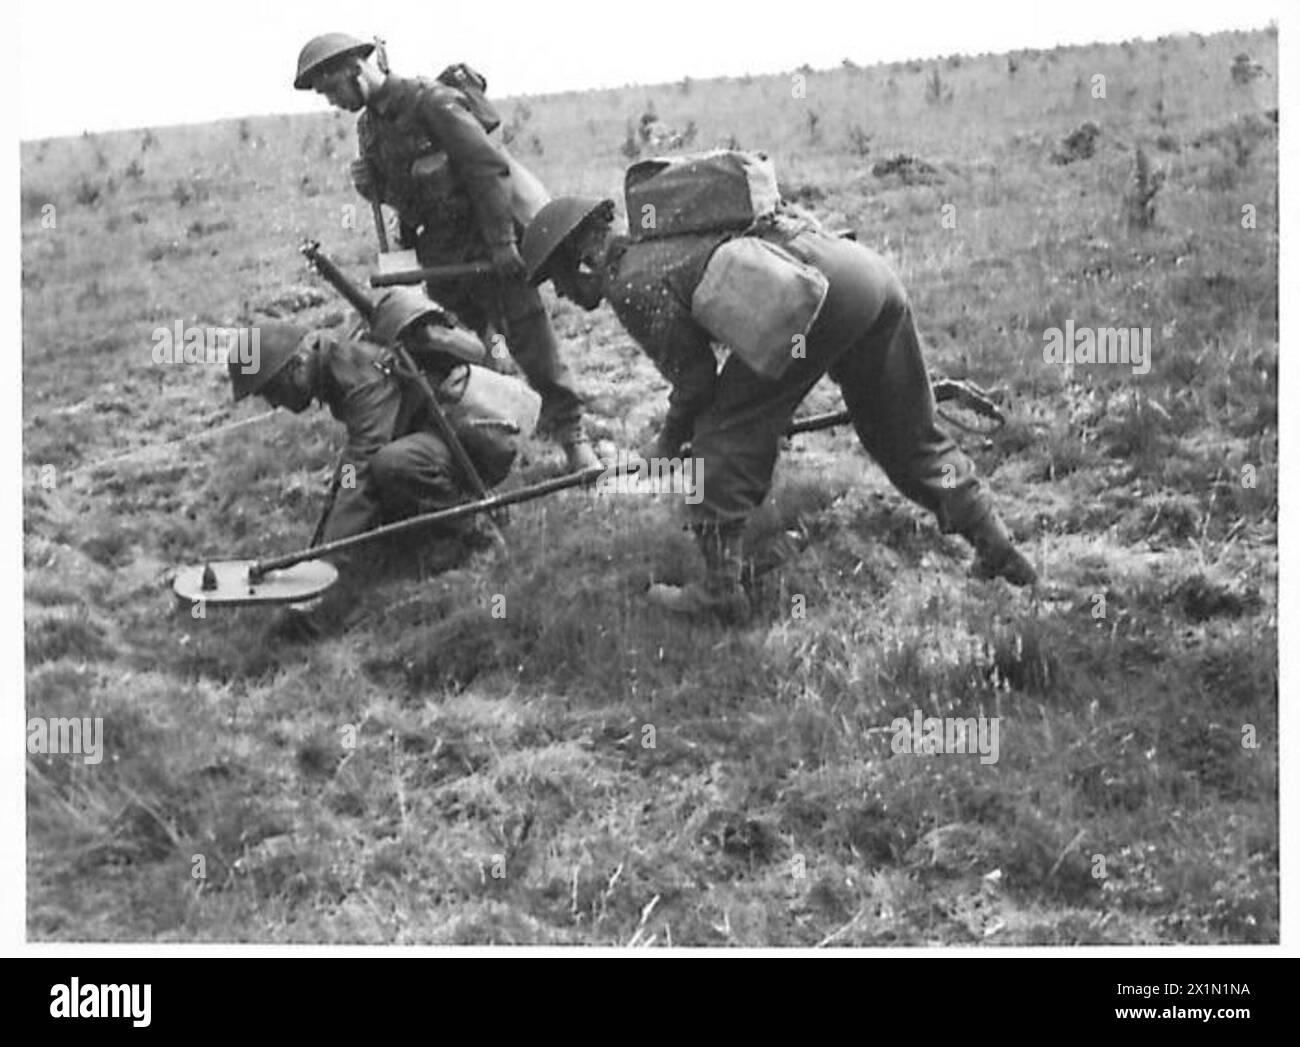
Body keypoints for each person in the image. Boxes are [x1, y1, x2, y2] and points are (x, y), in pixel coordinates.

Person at [520, 196, 1038, 623]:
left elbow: (696, 383)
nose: (562, 294)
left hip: (814, 298)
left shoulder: (629, 282)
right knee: (903, 430)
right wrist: (769, 408)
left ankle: (719, 593)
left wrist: (667, 441)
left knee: (720, 435)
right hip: (864, 275)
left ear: (583, 257)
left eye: (559, 279)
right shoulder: (664, 240)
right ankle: (996, 544)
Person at [292, 32, 598, 473]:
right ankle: (499, 428)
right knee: (467, 346)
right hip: (441, 257)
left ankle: (573, 437)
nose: (333, 102)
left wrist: (502, 244)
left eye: (332, 90)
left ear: (354, 71)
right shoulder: (369, 128)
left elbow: (486, 168)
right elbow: (408, 195)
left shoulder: (431, 102)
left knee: (530, 338)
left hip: (486, 245)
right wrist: (369, 185)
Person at [228, 289, 528, 637]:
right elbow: (352, 472)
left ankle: (474, 531)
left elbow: (364, 468)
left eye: (272, 390)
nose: (274, 403)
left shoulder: (358, 379)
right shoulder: (338, 365)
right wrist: (316, 547)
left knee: (391, 465)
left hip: (481, 443)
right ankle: (425, 535)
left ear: (296, 367)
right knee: (376, 472)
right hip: (440, 437)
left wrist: (324, 564)